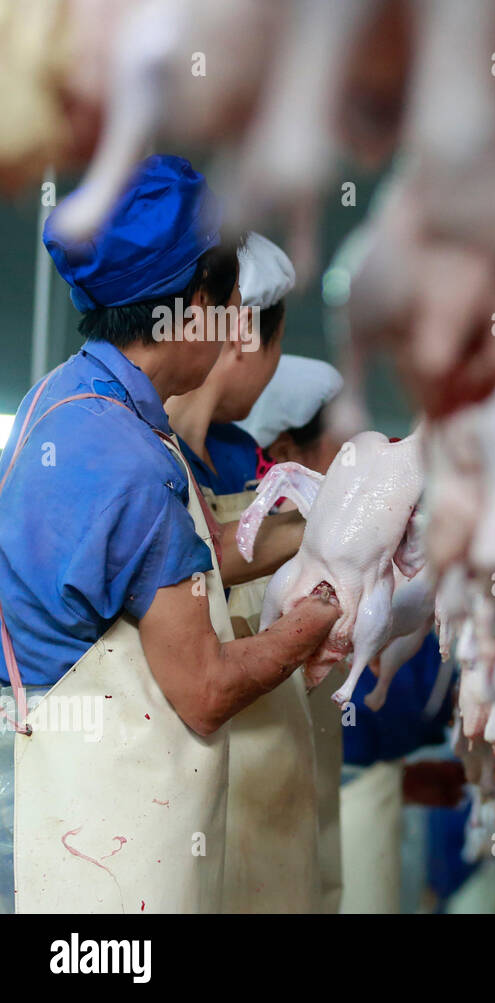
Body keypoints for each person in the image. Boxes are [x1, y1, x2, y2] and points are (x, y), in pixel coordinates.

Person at [0, 155, 339, 914]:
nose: (229, 340)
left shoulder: (74, 399)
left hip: (89, 816)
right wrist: (319, 615)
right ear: (190, 306)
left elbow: (199, 560)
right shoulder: (127, 459)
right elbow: (206, 689)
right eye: (223, 309)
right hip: (115, 850)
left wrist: (329, 519)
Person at [238, 355, 458, 913]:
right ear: (288, 453)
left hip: (333, 786)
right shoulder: (281, 546)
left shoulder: (369, 534)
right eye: (343, 458)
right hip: (274, 798)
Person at [165, 233, 330, 912]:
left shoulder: (242, 456)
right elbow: (214, 558)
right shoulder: (149, 453)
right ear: (240, 334)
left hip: (271, 760)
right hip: (182, 762)